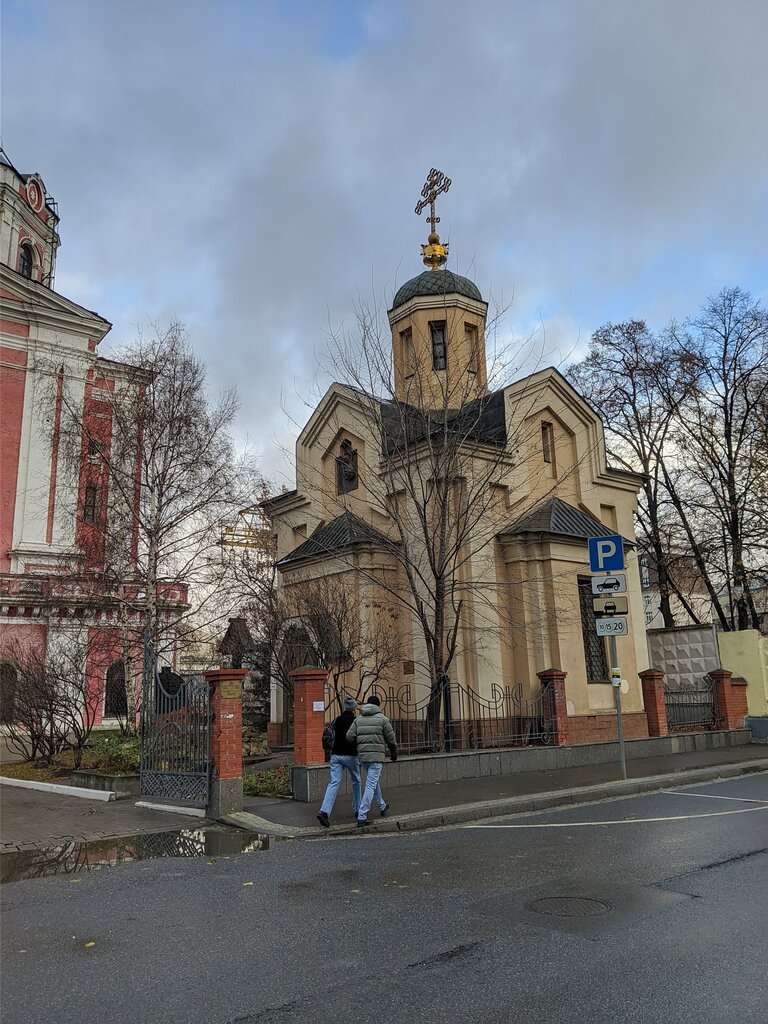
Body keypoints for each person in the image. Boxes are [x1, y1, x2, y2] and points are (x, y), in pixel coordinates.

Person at [346, 694, 398, 827]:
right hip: (376, 757)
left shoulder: (358, 719)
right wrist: (394, 754)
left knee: (373, 781)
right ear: (378, 706)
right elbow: (391, 740)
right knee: (370, 784)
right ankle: (362, 815)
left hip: (363, 757)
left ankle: (381, 806)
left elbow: (349, 736)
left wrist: (360, 744)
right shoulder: (383, 719)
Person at [316, 695, 361, 828]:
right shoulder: (355, 721)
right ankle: (359, 810)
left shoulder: (336, 720)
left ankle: (324, 811)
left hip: (335, 755)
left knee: (333, 783)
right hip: (351, 755)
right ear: (354, 708)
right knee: (356, 781)